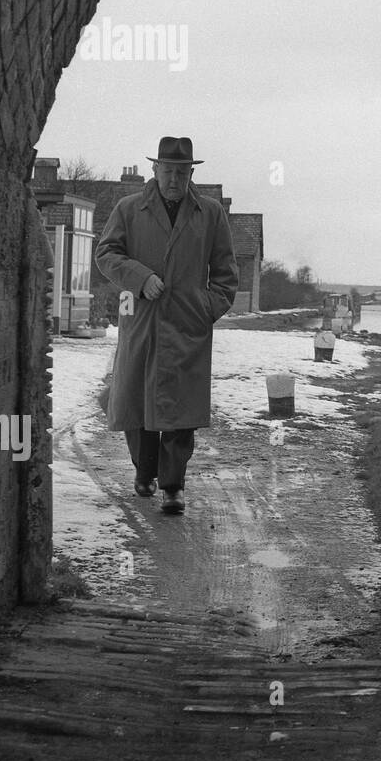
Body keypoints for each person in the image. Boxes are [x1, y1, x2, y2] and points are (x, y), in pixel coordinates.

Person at [95, 137, 239, 515]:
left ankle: (173, 486)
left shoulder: (209, 214)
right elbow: (107, 254)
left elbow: (226, 273)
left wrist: (205, 308)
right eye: (168, 170)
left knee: (180, 410)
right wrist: (139, 278)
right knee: (137, 404)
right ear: (154, 170)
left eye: (182, 171)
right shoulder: (129, 209)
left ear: (191, 173)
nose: (174, 178)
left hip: (187, 326)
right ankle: (144, 472)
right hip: (142, 321)